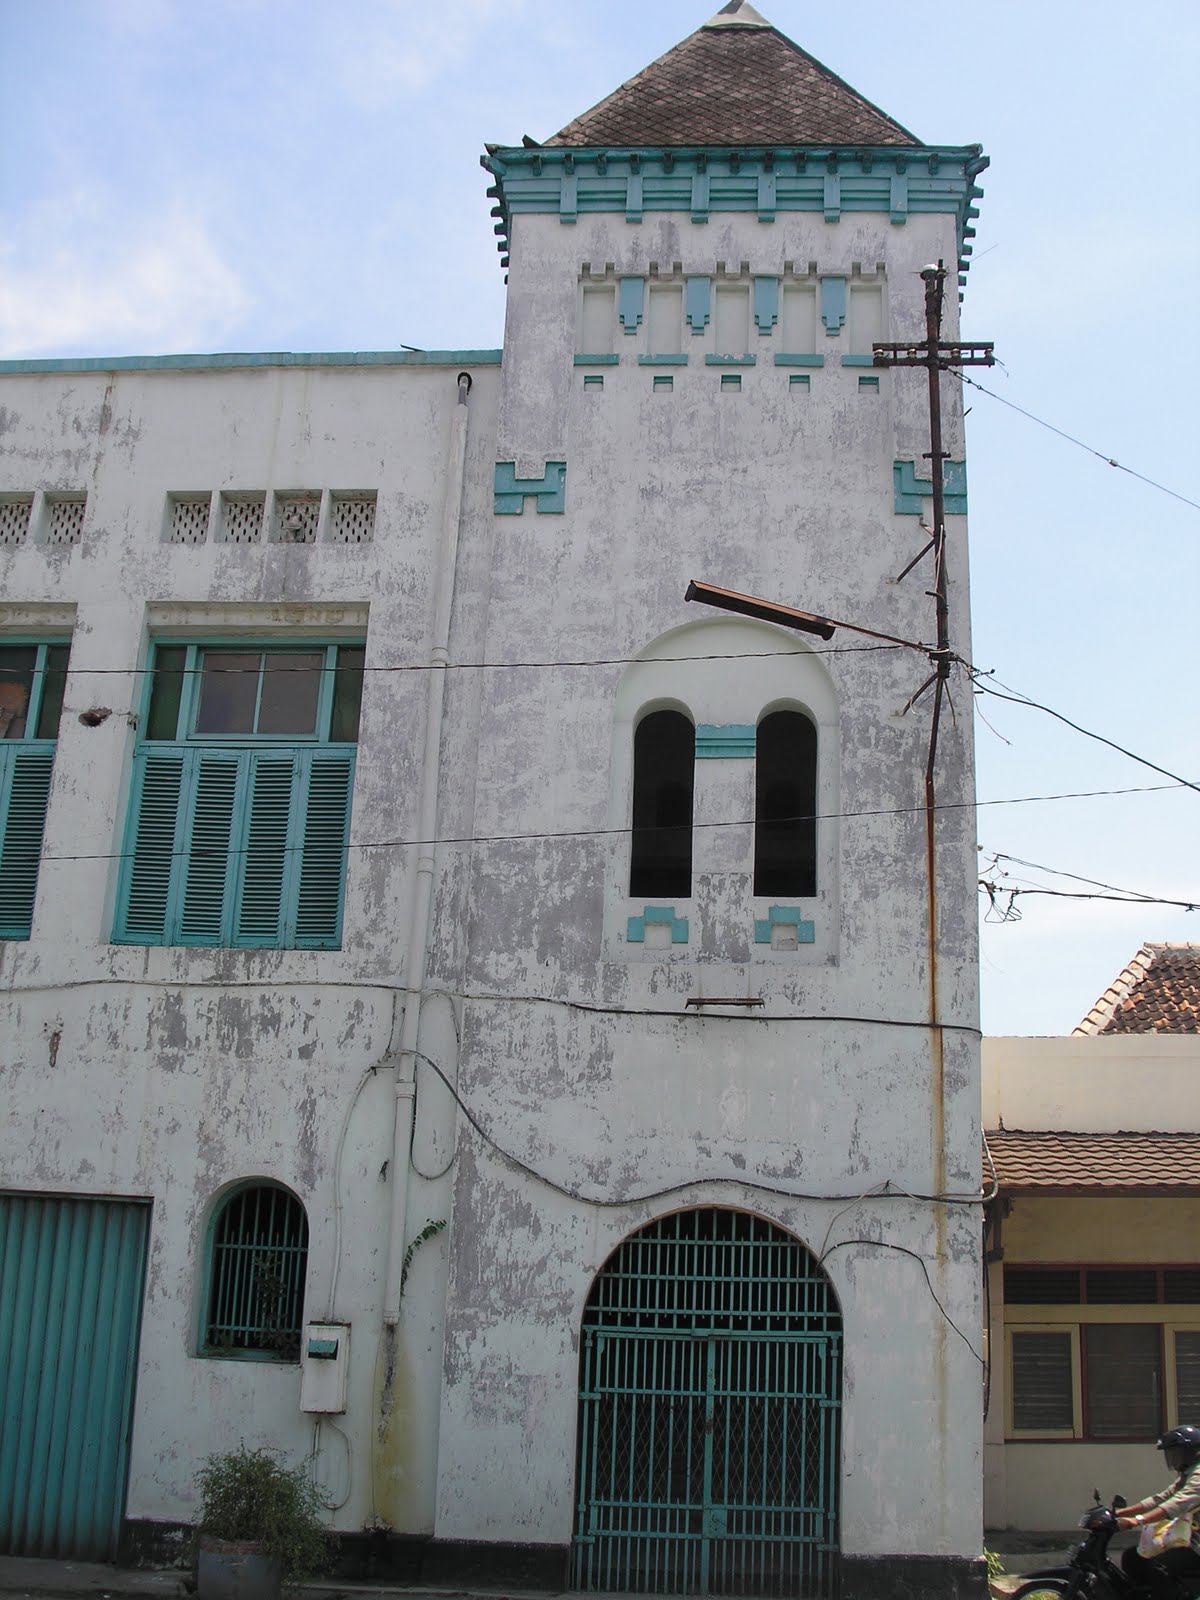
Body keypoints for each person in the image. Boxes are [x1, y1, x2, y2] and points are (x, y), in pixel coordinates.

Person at [1117, 1425, 1200, 1594]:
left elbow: (1176, 1503)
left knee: (1159, 1566)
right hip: (1190, 1541)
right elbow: (1161, 1498)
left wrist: (1138, 1520)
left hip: (1196, 1547)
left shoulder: (1198, 1475)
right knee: (1133, 1558)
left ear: (1191, 1451)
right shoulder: (1187, 1474)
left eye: (1176, 1453)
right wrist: (1119, 1513)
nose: (1172, 1458)